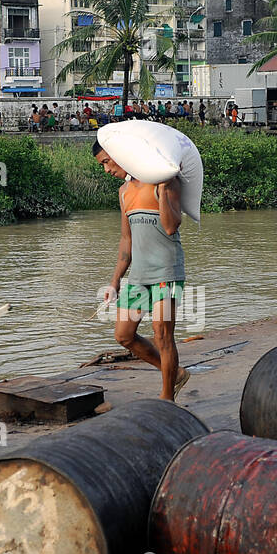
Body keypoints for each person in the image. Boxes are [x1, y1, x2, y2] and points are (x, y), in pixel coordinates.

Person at [92, 138, 190, 401]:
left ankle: (167, 397)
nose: (106, 170)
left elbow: (171, 226)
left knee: (162, 335)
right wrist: (114, 281)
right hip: (139, 275)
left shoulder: (164, 181)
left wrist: (165, 186)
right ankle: (175, 373)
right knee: (123, 335)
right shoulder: (124, 192)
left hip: (166, 271)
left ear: (120, 154)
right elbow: (127, 240)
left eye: (106, 162)